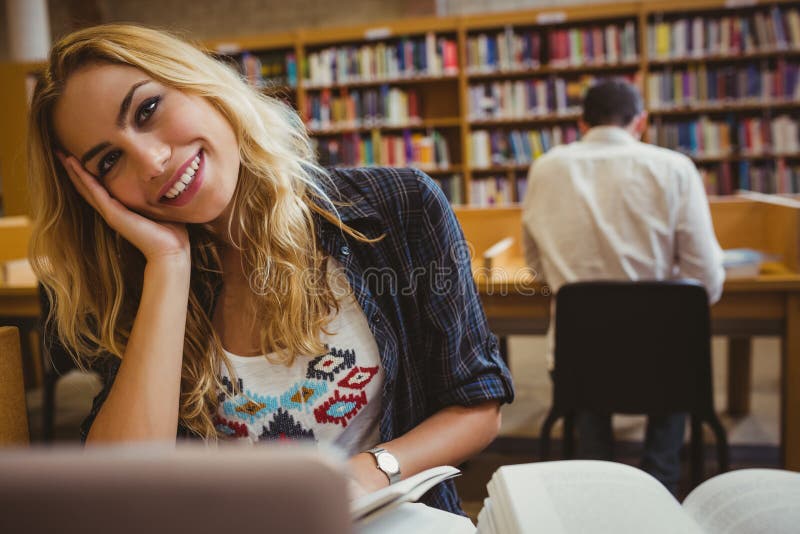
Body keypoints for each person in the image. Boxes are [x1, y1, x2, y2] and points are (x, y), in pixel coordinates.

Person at [27, 24, 514, 514]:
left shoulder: (399, 207)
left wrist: (370, 470)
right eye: (110, 161)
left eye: (148, 109)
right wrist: (170, 265)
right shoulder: (137, 282)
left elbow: (477, 406)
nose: (152, 162)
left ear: (201, 83)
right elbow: (122, 489)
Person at [521, 79, 725, 494]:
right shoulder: (673, 168)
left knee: (590, 385)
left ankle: (599, 486)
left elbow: (536, 266)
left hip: (581, 357)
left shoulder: (546, 168)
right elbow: (706, 280)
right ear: (641, 122)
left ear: (582, 123)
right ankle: (662, 483)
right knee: (677, 351)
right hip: (664, 360)